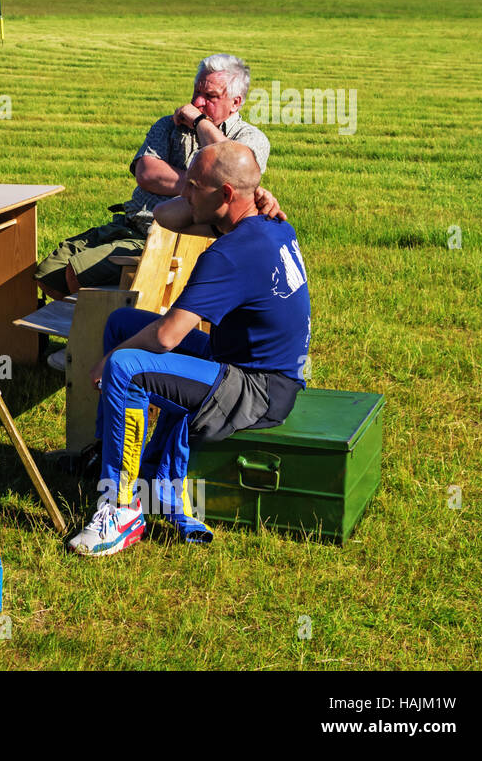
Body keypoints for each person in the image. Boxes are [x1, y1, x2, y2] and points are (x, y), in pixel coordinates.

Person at [66, 141, 310, 556]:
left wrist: (108, 359)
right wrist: (211, 191)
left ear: (227, 195)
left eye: (194, 187)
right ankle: (114, 462)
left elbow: (167, 337)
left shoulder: (230, 254)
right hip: (243, 364)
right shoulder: (263, 224)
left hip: (257, 391)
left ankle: (121, 511)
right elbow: (164, 215)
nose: (184, 194)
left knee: (126, 366)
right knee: (122, 322)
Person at [36, 54, 272, 368]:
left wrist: (200, 127)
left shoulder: (250, 139)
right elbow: (147, 172)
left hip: (169, 236)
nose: (197, 102)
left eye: (210, 97)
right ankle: (91, 333)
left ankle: (93, 351)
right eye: (195, 93)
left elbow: (230, 168)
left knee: (77, 273)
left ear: (236, 102)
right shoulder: (168, 126)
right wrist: (200, 186)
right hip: (129, 222)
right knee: (47, 273)